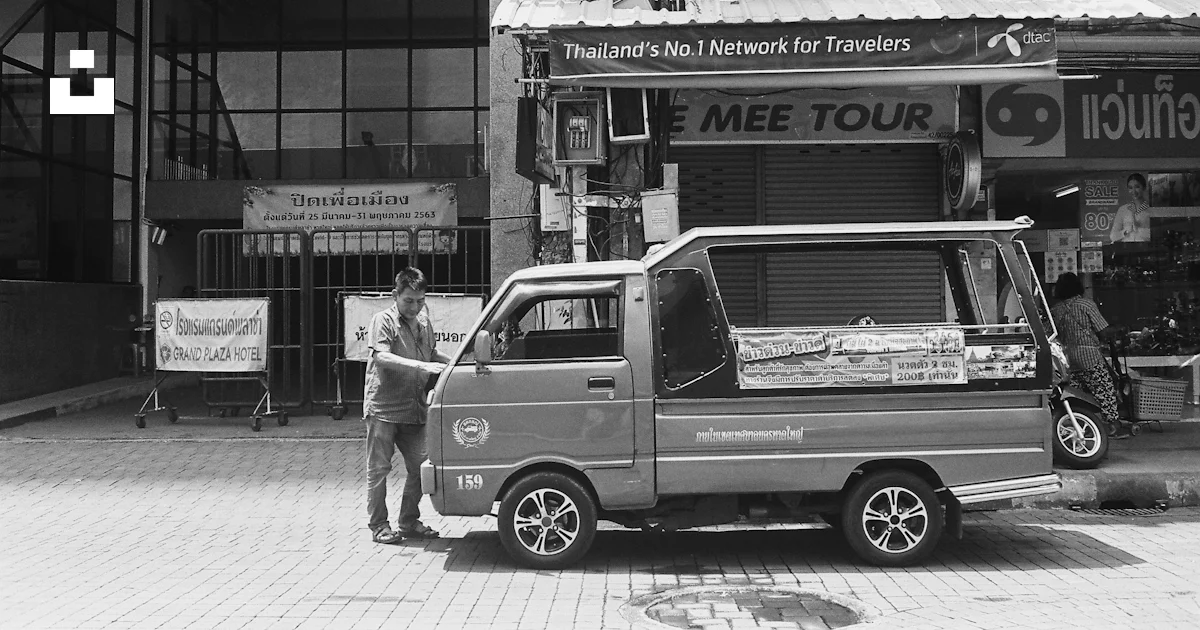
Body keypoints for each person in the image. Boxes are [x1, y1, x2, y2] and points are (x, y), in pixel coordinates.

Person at [364, 267, 452, 544]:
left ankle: (408, 521)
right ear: (395, 295)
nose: (415, 307)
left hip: (414, 409)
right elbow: (382, 357)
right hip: (384, 409)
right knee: (379, 470)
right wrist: (421, 365)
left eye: (420, 300)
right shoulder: (383, 320)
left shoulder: (424, 323)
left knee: (422, 466)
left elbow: (431, 352)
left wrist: (456, 364)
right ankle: (379, 526)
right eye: (409, 301)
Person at [1050, 272, 1128, 438]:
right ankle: (1114, 425)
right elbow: (1103, 331)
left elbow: (1052, 333)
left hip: (1069, 357)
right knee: (1104, 389)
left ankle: (1077, 423)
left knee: (1077, 394)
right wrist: (1119, 330)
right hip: (1089, 355)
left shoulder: (1056, 310)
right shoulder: (1086, 304)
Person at [1109, 173, 1151, 243]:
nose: (1134, 191)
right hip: (1126, 251)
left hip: (1146, 251)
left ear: (1144, 187)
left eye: (1137, 187)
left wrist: (1139, 229)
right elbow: (1112, 236)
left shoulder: (1151, 209)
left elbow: (1157, 235)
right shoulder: (1123, 209)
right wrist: (1125, 231)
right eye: (1130, 188)